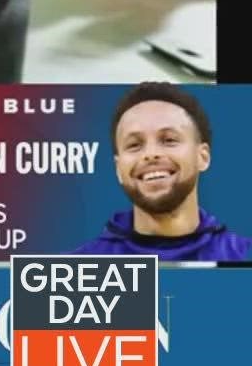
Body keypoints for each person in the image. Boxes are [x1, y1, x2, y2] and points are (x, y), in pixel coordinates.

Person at [75, 83, 249, 262]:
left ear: (202, 157)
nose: (151, 154)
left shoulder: (243, 257)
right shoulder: (78, 270)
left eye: (169, 140)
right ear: (118, 168)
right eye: (134, 145)